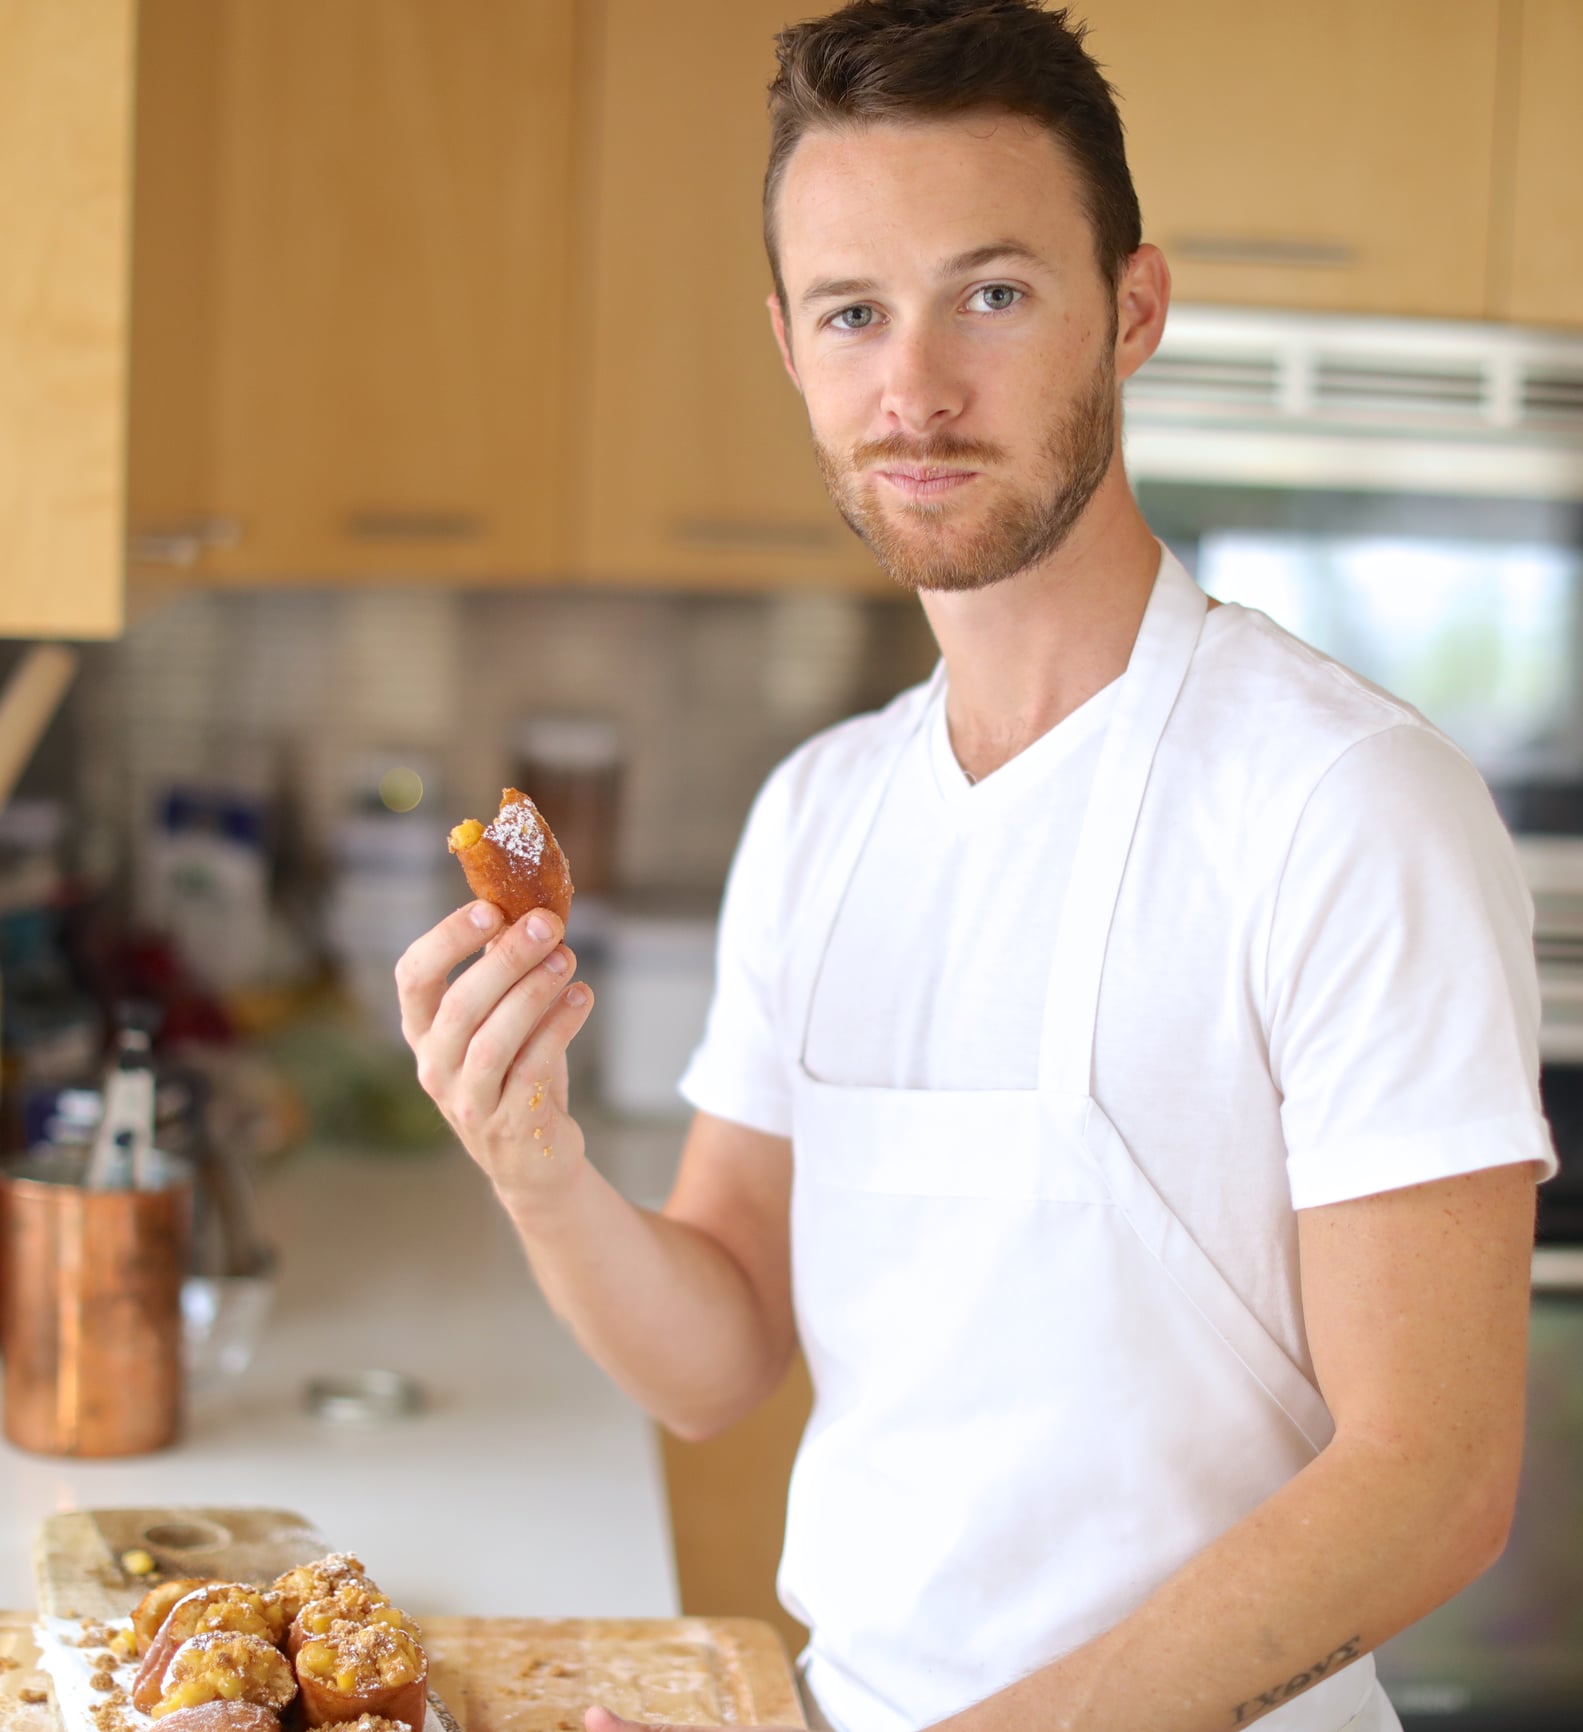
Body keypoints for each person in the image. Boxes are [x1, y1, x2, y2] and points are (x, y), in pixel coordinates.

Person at [395, 4, 1555, 1729]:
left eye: (992, 294)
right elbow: (715, 1359)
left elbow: (1436, 1476)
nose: (916, 387)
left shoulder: (1347, 804)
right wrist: (535, 1164)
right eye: (856, 313)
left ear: (1132, 311)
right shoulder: (822, 814)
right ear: (789, 346)